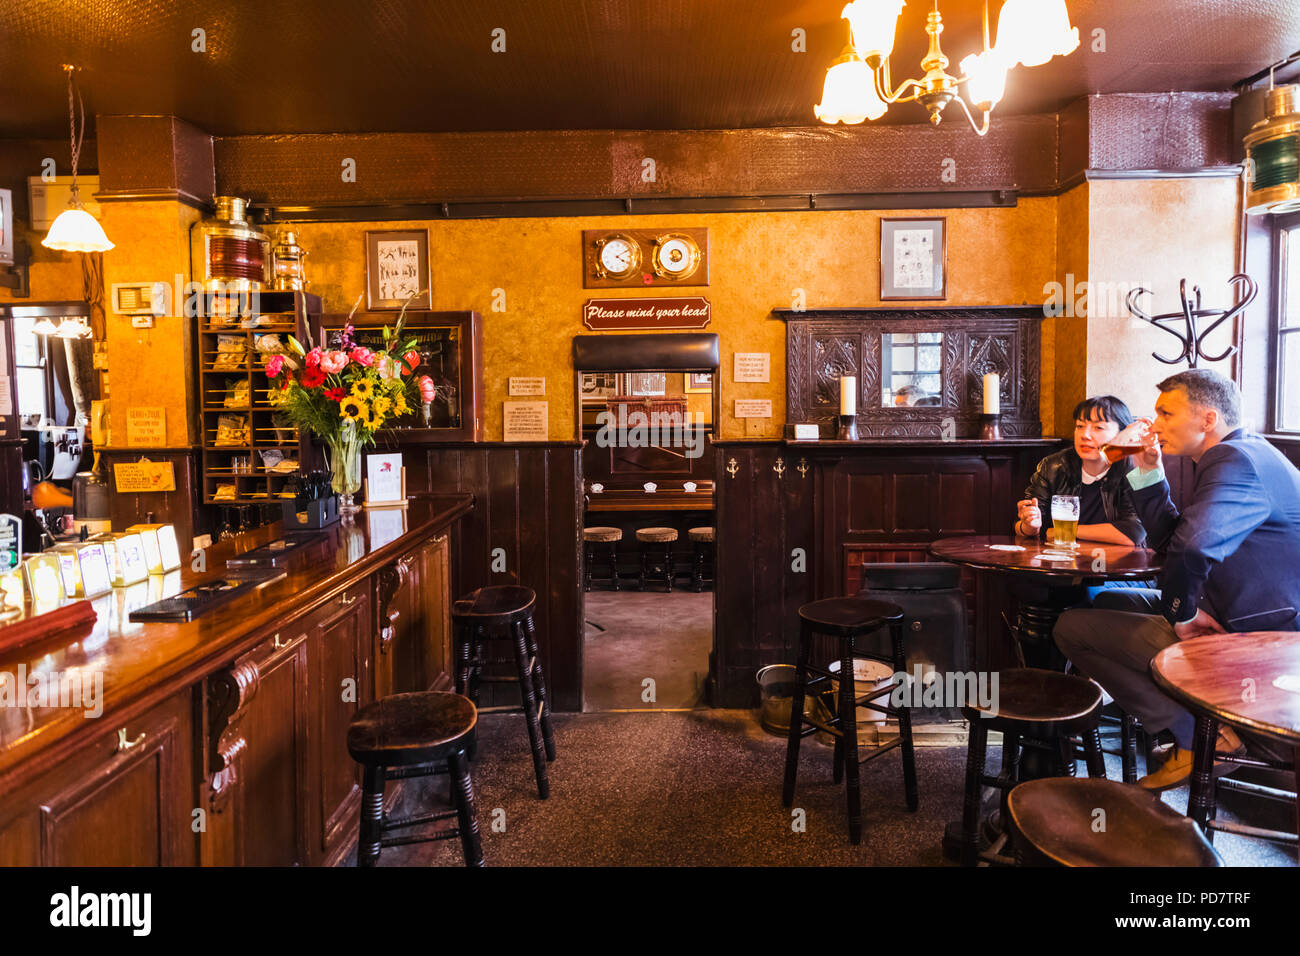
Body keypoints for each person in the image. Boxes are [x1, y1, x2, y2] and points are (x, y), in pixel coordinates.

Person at [1054, 369, 1300, 789]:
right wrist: (1149, 470)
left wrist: (1181, 615)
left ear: (1207, 420)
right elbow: (1173, 541)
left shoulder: (1234, 460)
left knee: (1070, 627)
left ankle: (1201, 738)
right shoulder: (1244, 452)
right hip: (1234, 612)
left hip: (1257, 642)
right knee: (1107, 602)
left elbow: (1191, 548)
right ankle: (1196, 723)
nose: (1155, 424)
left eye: (1166, 413)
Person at [1015, 395, 1150, 546]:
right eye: (1080, 426)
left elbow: (1134, 532)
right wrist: (1029, 526)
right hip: (1063, 563)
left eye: (1098, 427)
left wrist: (1064, 531)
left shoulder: (1134, 468)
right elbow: (1024, 525)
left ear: (1122, 434)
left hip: (1118, 564)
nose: (1085, 435)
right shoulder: (1053, 466)